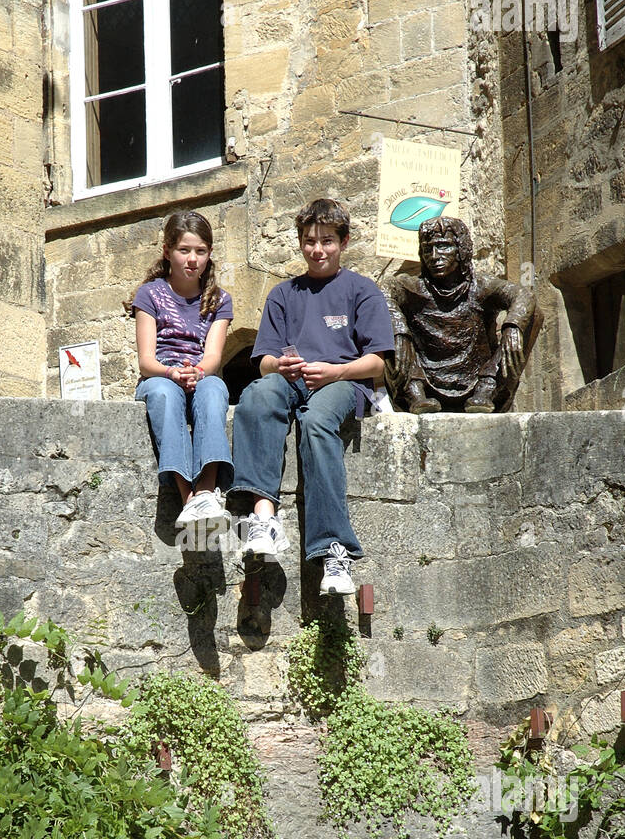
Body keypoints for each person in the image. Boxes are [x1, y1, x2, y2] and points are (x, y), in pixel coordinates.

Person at [227, 198, 394, 595]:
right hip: (293, 378)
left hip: (342, 381)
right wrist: (278, 367)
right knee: (257, 394)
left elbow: (378, 364)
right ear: (300, 243)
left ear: (344, 242)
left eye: (327, 241)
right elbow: (264, 360)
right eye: (309, 241)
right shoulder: (284, 294)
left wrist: (336, 370)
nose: (317, 250)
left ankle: (334, 552)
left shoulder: (362, 291)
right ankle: (264, 518)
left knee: (316, 422)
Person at [128, 211, 234, 529]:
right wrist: (173, 373)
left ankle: (206, 492)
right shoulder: (150, 295)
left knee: (215, 389)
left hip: (198, 373)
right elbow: (146, 361)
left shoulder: (219, 300)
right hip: (160, 375)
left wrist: (197, 372)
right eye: (184, 251)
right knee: (164, 395)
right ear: (167, 252)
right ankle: (188, 499)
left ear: (209, 254)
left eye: (200, 251)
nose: (192, 260)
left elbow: (213, 355)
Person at [384, 216, 541, 413]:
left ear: (461, 249)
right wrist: (399, 331)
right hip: (425, 390)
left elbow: (523, 295)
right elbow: (382, 291)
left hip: (478, 389)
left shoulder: (481, 287)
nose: (434, 256)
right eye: (427, 249)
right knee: (382, 316)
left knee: (531, 315)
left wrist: (513, 325)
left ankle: (489, 387)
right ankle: (412, 390)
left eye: (443, 246)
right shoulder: (412, 287)